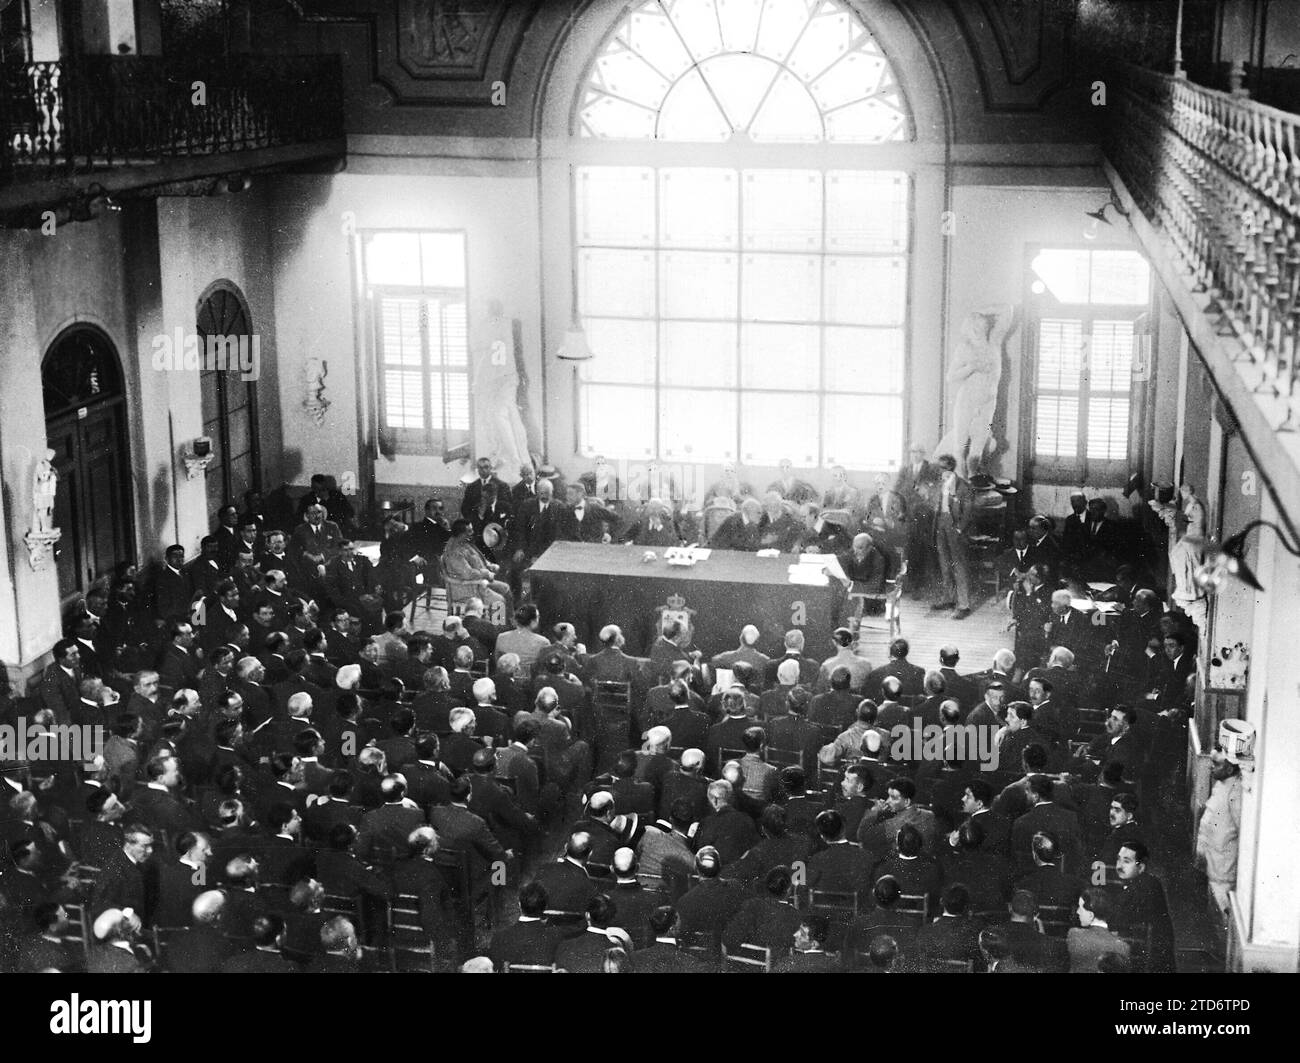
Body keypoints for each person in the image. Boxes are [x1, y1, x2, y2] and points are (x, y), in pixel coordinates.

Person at [1195, 750, 1243, 923]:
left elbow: (1241, 829)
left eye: (1217, 765)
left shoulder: (1236, 792)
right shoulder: (1221, 784)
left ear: (1230, 769)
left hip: (1224, 865)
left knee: (1223, 909)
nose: (1212, 767)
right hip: (1212, 858)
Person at [443, 519, 513, 622]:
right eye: (470, 531)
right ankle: (497, 630)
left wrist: (490, 566)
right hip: (465, 588)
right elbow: (468, 573)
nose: (473, 533)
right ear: (461, 534)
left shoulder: (465, 543)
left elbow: (479, 559)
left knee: (506, 589)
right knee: (499, 601)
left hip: (479, 583)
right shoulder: (454, 552)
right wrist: (486, 573)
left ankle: (509, 623)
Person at [931, 453, 972, 619]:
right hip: (940, 524)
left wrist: (959, 529)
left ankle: (963, 605)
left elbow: (968, 512)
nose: (940, 471)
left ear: (950, 468)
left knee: (958, 565)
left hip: (954, 527)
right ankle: (948, 598)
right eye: (939, 468)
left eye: (943, 468)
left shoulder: (963, 486)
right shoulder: (940, 483)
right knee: (944, 564)